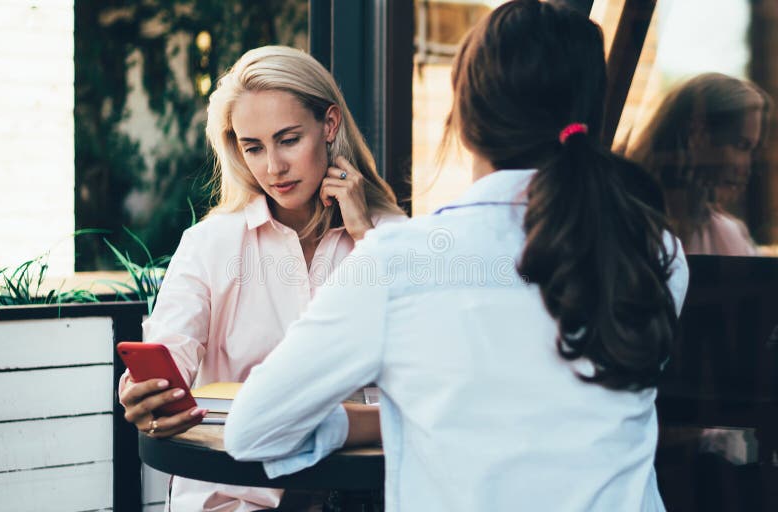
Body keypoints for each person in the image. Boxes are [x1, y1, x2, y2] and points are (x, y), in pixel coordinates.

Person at [224, 1, 689, 510]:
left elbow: (252, 430)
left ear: (463, 121)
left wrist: (376, 420)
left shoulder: (400, 261)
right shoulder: (653, 249)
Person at [118, 45, 406, 511]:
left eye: (288, 139)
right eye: (253, 147)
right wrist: (142, 391)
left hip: (365, 495)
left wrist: (363, 234)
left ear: (329, 125)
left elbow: (419, 365)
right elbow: (172, 347)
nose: (273, 167)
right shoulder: (210, 243)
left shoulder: (391, 238)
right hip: (237, 498)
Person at [627, 73, 771, 256]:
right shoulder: (628, 223)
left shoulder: (728, 235)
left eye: (752, 150)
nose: (747, 165)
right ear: (697, 136)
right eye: (741, 146)